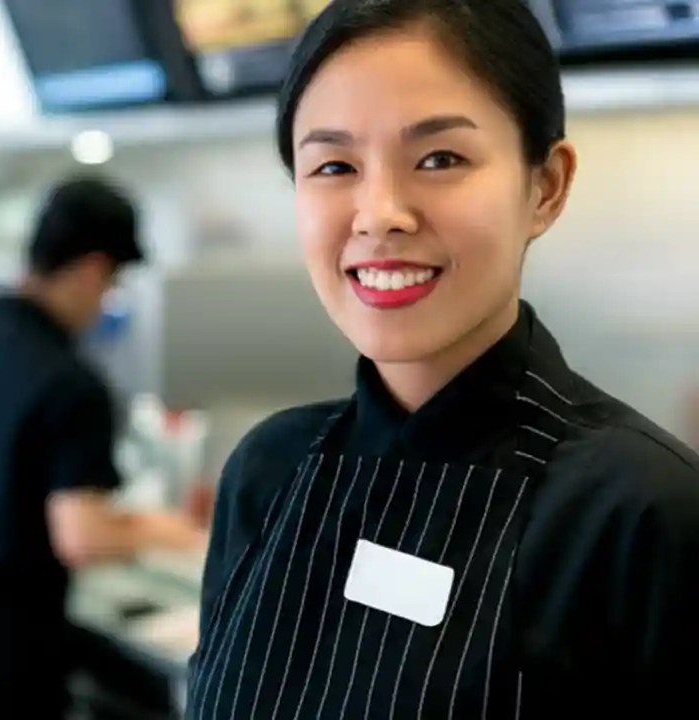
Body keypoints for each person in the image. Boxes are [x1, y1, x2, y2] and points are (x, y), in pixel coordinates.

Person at [186, 1, 699, 718]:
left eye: (439, 159)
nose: (380, 212)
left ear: (545, 186)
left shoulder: (641, 510)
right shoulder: (268, 471)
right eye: (334, 165)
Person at [0, 175, 208, 720]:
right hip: (9, 652)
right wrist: (175, 531)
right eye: (112, 282)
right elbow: (80, 537)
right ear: (90, 269)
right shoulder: (68, 381)